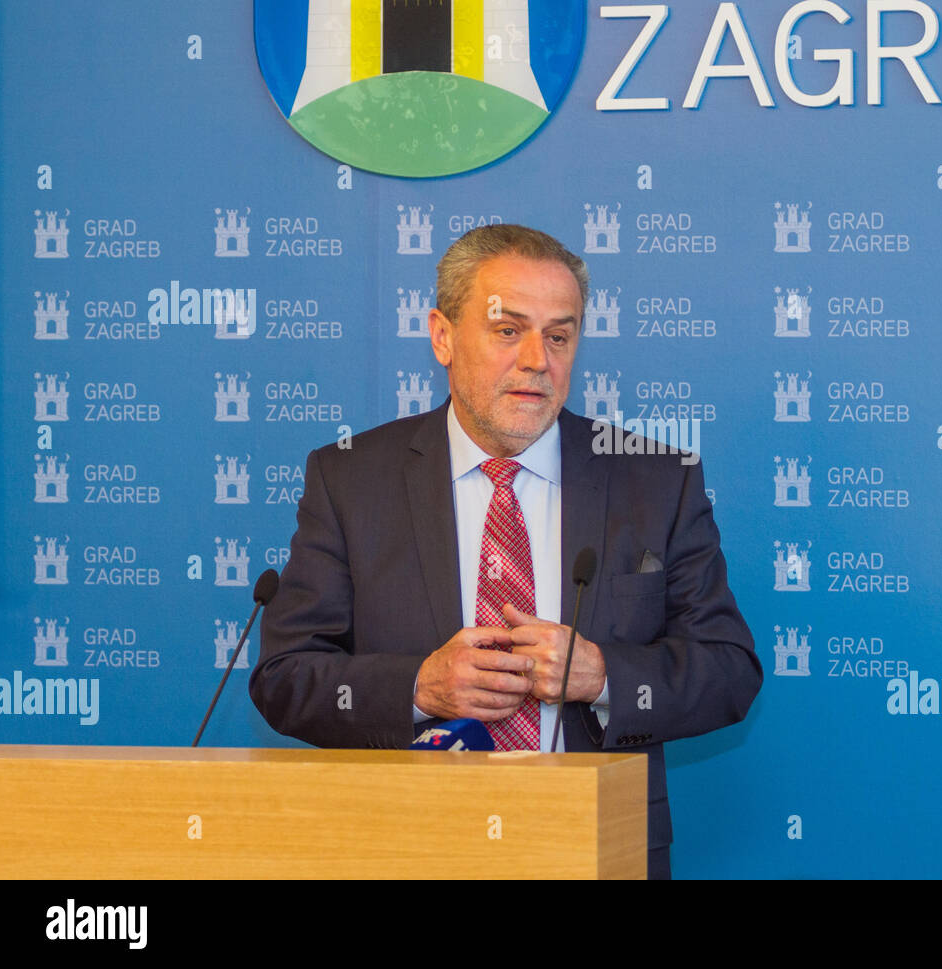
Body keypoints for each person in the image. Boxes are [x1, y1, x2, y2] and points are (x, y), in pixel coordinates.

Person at [249, 224, 762, 879]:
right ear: (442, 336)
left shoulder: (656, 480)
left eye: (558, 336)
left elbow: (728, 669)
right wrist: (419, 687)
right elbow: (285, 675)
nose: (536, 360)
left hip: (594, 850)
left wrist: (602, 676)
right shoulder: (350, 479)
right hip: (408, 852)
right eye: (507, 329)